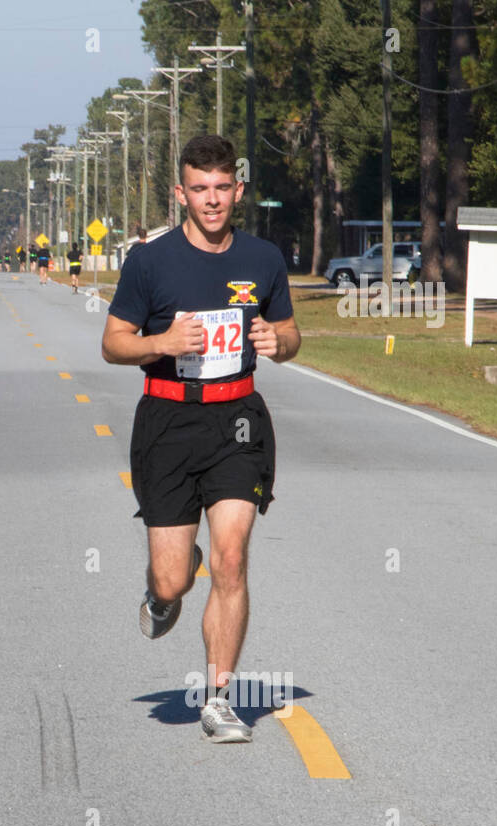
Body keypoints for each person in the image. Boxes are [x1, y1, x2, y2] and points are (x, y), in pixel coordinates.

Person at [101, 134, 301, 744]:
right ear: (181, 193)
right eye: (199, 189)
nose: (211, 201)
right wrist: (162, 343)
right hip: (167, 421)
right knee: (173, 580)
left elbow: (289, 333)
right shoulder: (149, 261)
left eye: (222, 189)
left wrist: (278, 343)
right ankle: (168, 587)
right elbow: (113, 343)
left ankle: (218, 699)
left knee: (233, 558)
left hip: (237, 419)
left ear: (237, 192)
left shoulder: (263, 258)